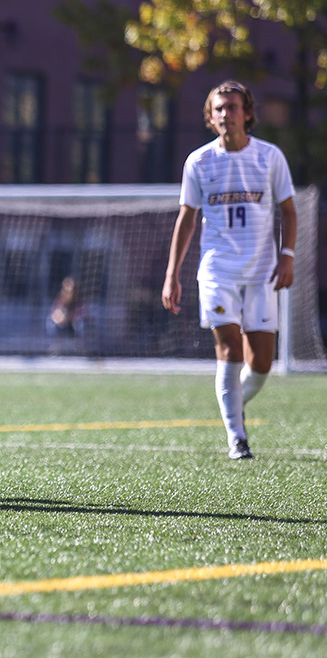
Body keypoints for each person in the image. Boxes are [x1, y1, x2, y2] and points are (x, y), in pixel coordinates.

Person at [162, 80, 297, 460]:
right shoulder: (199, 162)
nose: (226, 114)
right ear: (210, 116)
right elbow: (186, 219)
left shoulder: (269, 157)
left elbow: (289, 210)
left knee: (262, 364)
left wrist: (287, 255)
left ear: (247, 113)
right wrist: (172, 274)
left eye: (233, 107)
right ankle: (237, 436)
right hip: (218, 270)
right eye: (219, 108)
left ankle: (233, 401)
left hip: (262, 272)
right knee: (228, 348)